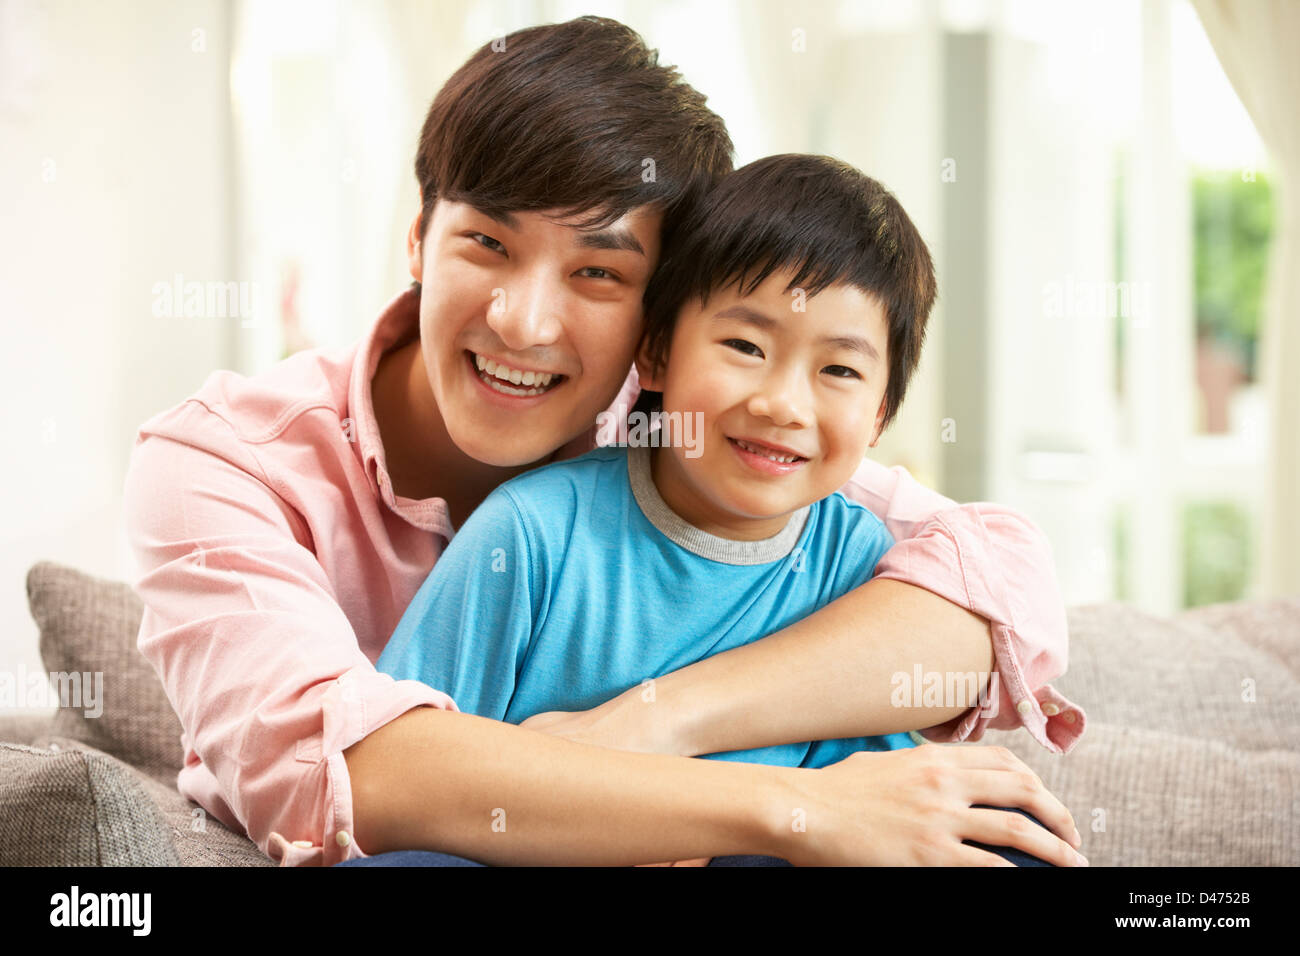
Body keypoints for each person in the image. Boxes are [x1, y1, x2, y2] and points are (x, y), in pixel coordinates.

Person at [122, 16, 1086, 868]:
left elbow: (1000, 584)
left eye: (597, 273)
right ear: (417, 239)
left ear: (659, 320)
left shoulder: (695, 432)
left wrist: (657, 723)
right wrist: (794, 811)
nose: (525, 323)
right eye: (487, 244)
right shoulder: (221, 464)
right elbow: (350, 776)